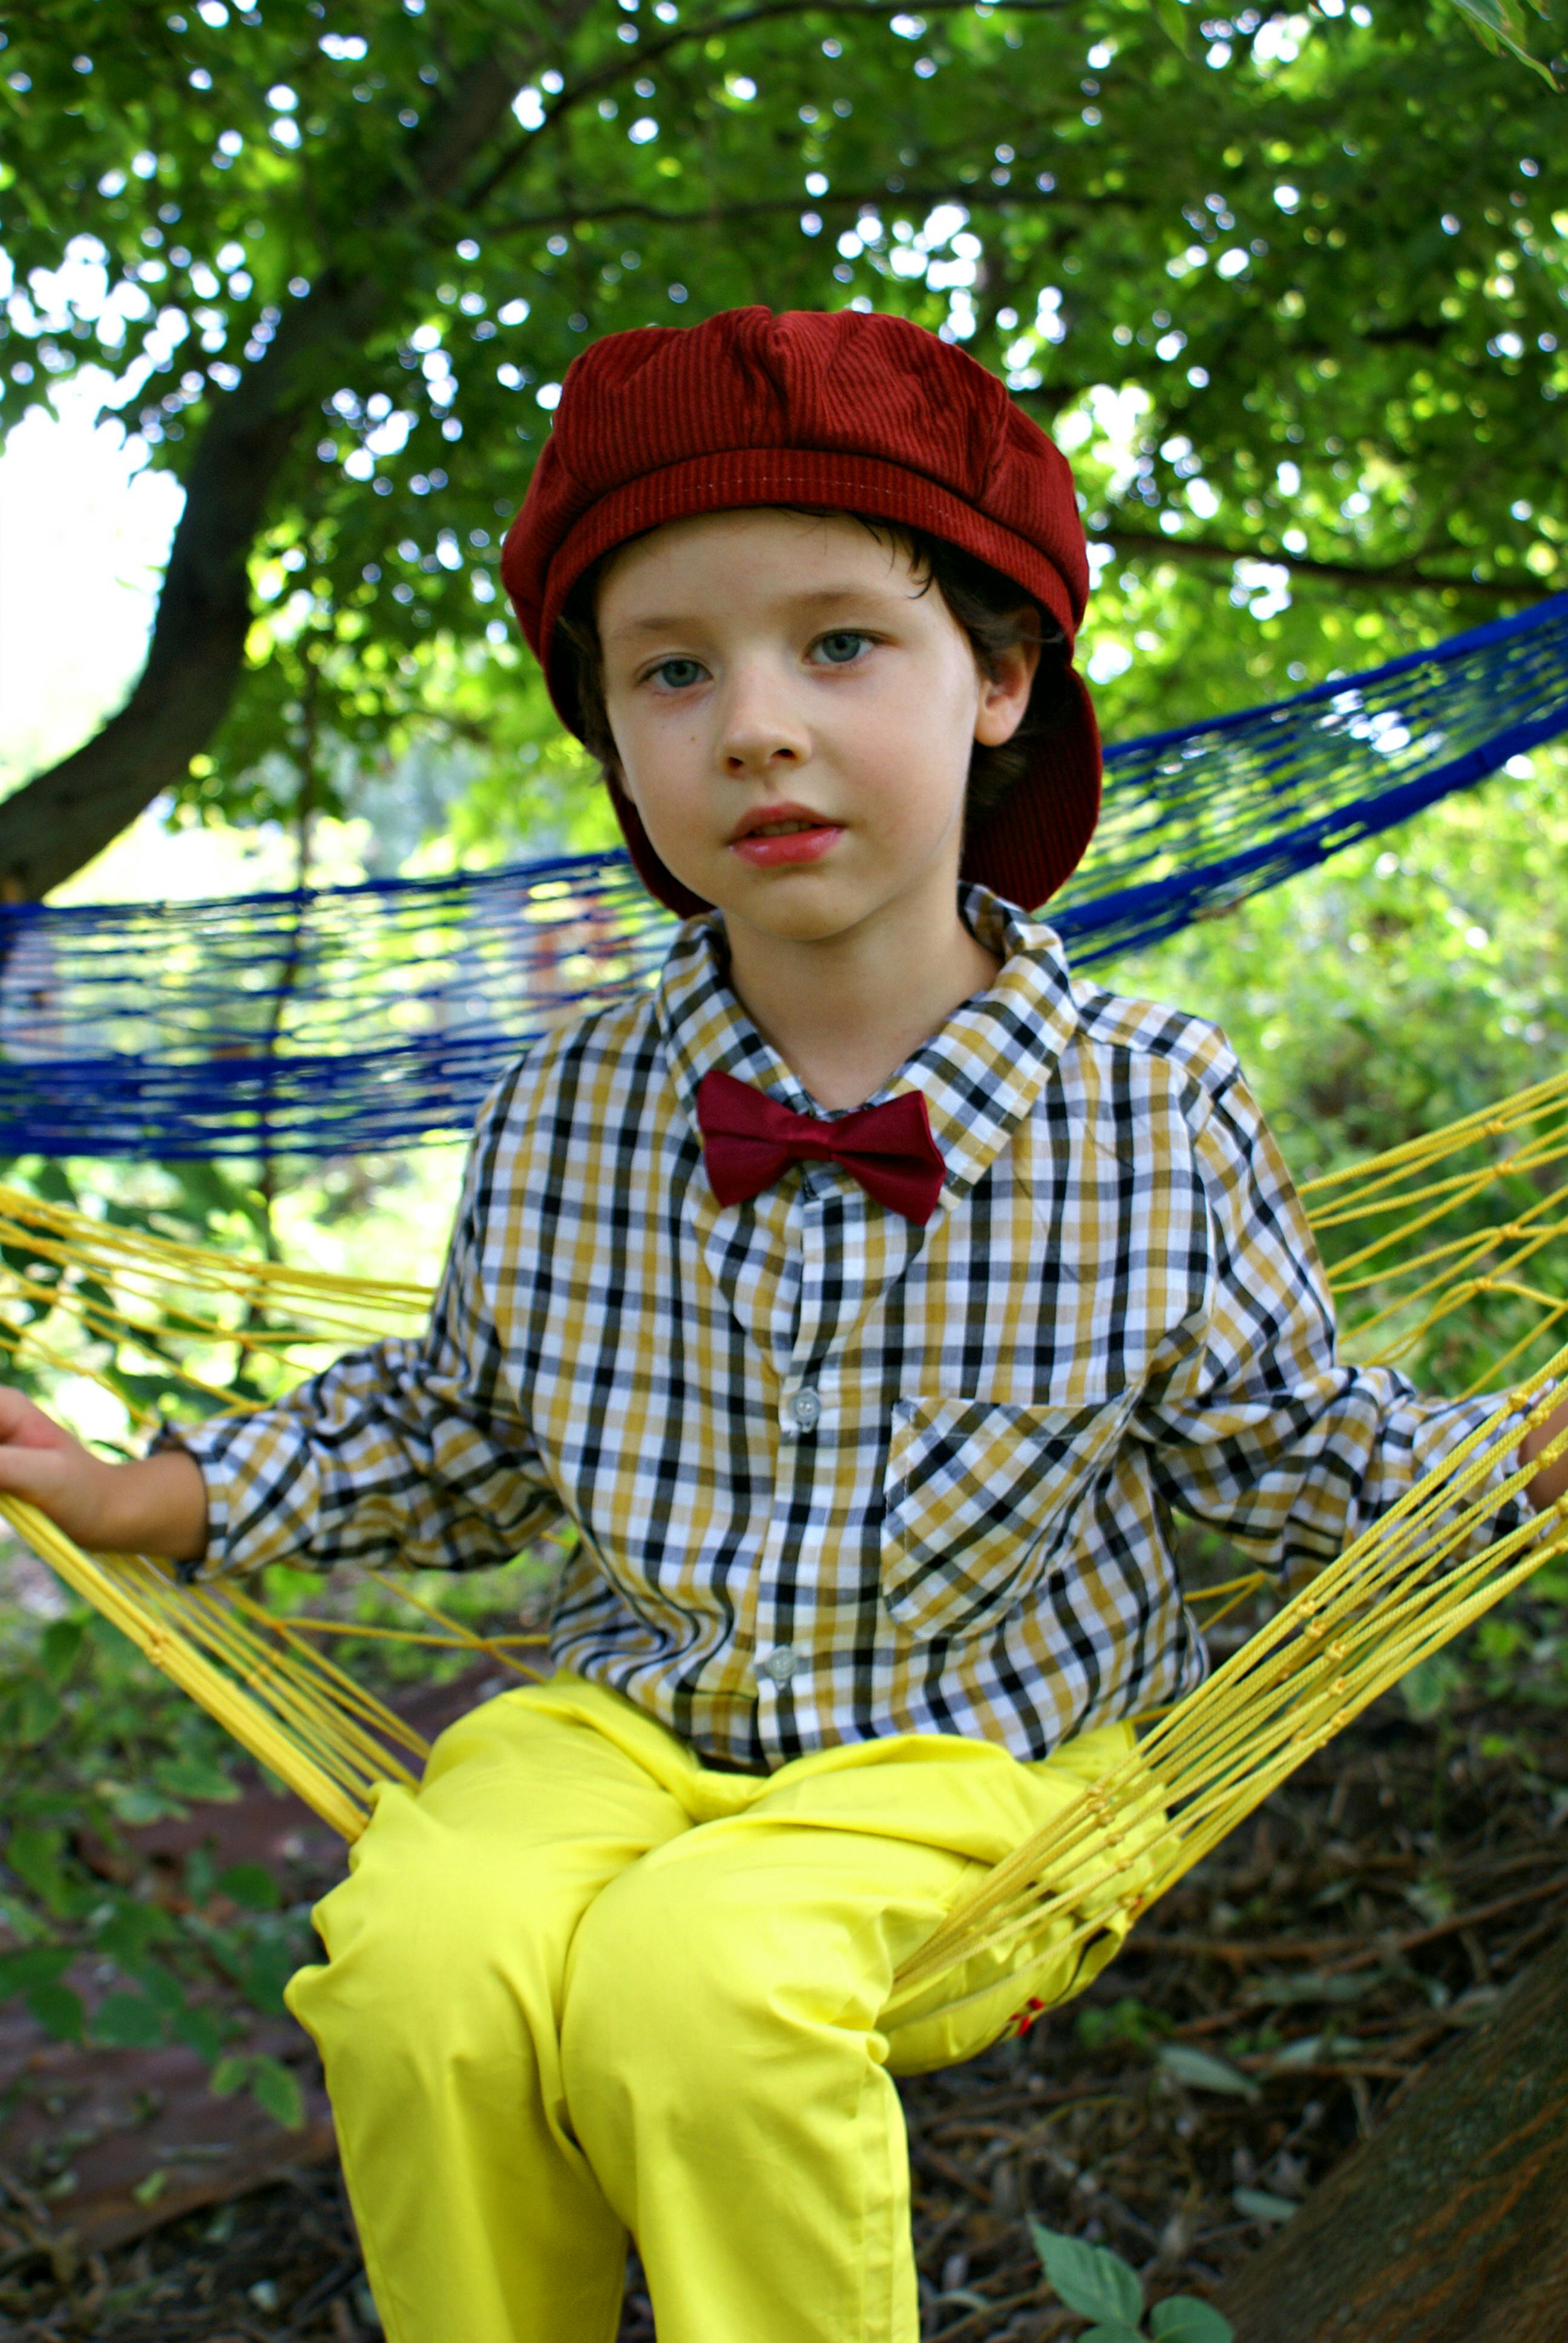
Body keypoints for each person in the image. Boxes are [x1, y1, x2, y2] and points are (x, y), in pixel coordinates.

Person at [1, 306, 1562, 2343]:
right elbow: (460, 1419)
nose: (754, 724)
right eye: (676, 670)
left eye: (840, 644)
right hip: (623, 1723)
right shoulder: (571, 1098)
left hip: (987, 1761)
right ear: (622, 744)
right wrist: (167, 1490)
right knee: (420, 1957)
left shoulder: (1148, 1106)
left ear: (998, 679)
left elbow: (1289, 1444)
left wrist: (1498, 1471)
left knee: (697, 1986)